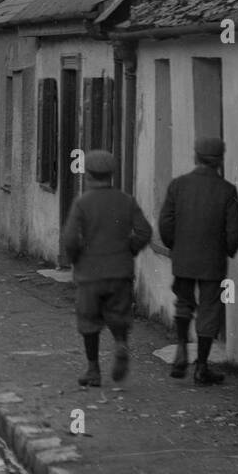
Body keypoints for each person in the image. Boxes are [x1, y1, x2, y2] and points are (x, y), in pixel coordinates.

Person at [61, 149, 153, 387]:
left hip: (90, 273)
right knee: (118, 313)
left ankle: (93, 369)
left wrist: (76, 259)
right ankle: (120, 343)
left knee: (88, 320)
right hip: (120, 271)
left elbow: (70, 238)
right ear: (111, 174)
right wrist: (129, 250)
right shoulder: (126, 200)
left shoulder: (82, 203)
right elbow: (144, 231)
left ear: (88, 174)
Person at [158, 137, 238, 385]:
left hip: (183, 258)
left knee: (184, 303)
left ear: (196, 157)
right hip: (212, 261)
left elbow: (166, 223)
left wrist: (175, 246)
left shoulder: (178, 186)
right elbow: (236, 229)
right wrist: (227, 250)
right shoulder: (227, 190)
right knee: (210, 310)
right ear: (220, 161)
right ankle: (202, 367)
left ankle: (181, 349)